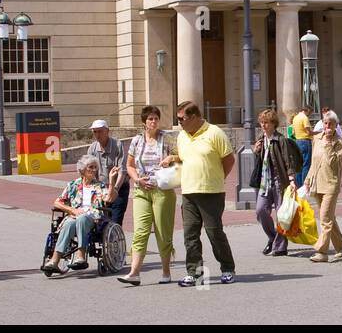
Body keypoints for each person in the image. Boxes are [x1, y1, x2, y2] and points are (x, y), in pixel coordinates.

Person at [165, 102, 236, 285]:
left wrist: (217, 178)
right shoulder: (181, 136)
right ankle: (195, 273)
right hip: (188, 191)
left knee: (214, 232)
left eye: (182, 118)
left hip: (211, 192)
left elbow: (228, 160)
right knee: (190, 235)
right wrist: (173, 158)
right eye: (178, 118)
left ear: (195, 117)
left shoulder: (214, 133)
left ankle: (227, 268)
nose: (179, 121)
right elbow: (183, 157)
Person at [118, 106, 176, 285]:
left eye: (156, 119)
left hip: (162, 190)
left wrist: (171, 158)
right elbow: (129, 165)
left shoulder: (167, 138)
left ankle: (166, 272)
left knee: (162, 232)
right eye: (150, 119)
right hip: (142, 190)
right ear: (144, 122)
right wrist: (137, 180)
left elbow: (181, 155)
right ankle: (134, 273)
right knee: (140, 232)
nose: (153, 122)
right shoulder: (136, 141)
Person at [43, 154, 115, 275]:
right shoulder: (72, 185)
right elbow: (57, 202)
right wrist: (72, 210)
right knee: (69, 223)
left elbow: (109, 199)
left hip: (93, 218)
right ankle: (54, 260)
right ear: (82, 169)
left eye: (95, 167)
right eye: (90, 167)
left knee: (81, 218)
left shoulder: (99, 186)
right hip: (75, 216)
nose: (93, 170)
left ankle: (80, 255)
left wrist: (112, 181)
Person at [251, 108, 298, 257]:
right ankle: (272, 238)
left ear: (273, 124)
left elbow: (288, 160)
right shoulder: (261, 139)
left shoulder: (281, 140)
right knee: (260, 210)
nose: (263, 126)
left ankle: (280, 246)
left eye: (266, 123)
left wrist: (291, 180)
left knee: (281, 214)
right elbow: (261, 161)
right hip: (265, 182)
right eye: (261, 123)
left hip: (280, 181)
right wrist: (256, 150)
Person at [306, 111, 342, 262]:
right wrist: (308, 178)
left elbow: (334, 163)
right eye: (325, 123)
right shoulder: (317, 138)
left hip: (331, 184)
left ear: (336, 126)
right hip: (318, 182)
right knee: (329, 218)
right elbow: (314, 160)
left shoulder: (339, 142)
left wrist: (329, 142)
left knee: (325, 217)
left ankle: (322, 252)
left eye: (331, 123)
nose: (327, 126)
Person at [88, 120, 128, 228]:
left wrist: (114, 189)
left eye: (100, 131)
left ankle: (114, 243)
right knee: (101, 221)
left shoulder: (117, 145)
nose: (97, 135)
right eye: (95, 132)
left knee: (115, 221)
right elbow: (89, 171)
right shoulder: (92, 148)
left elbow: (122, 170)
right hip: (101, 188)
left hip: (119, 187)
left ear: (107, 131)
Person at [291, 106, 314, 186]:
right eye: (310, 113)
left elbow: (293, 133)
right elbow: (309, 132)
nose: (309, 115)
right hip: (305, 141)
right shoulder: (304, 118)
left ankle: (299, 184)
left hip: (297, 141)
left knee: (299, 164)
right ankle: (305, 184)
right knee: (306, 164)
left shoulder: (295, 118)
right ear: (307, 111)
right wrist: (318, 132)